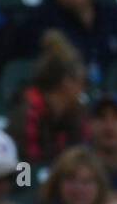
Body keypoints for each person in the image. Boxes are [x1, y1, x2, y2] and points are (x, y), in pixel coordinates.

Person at [8, 30, 89, 164]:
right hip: (31, 183)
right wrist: (28, 184)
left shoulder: (75, 113)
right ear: (66, 83)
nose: (83, 89)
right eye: (81, 82)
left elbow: (82, 161)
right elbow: (23, 167)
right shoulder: (27, 114)